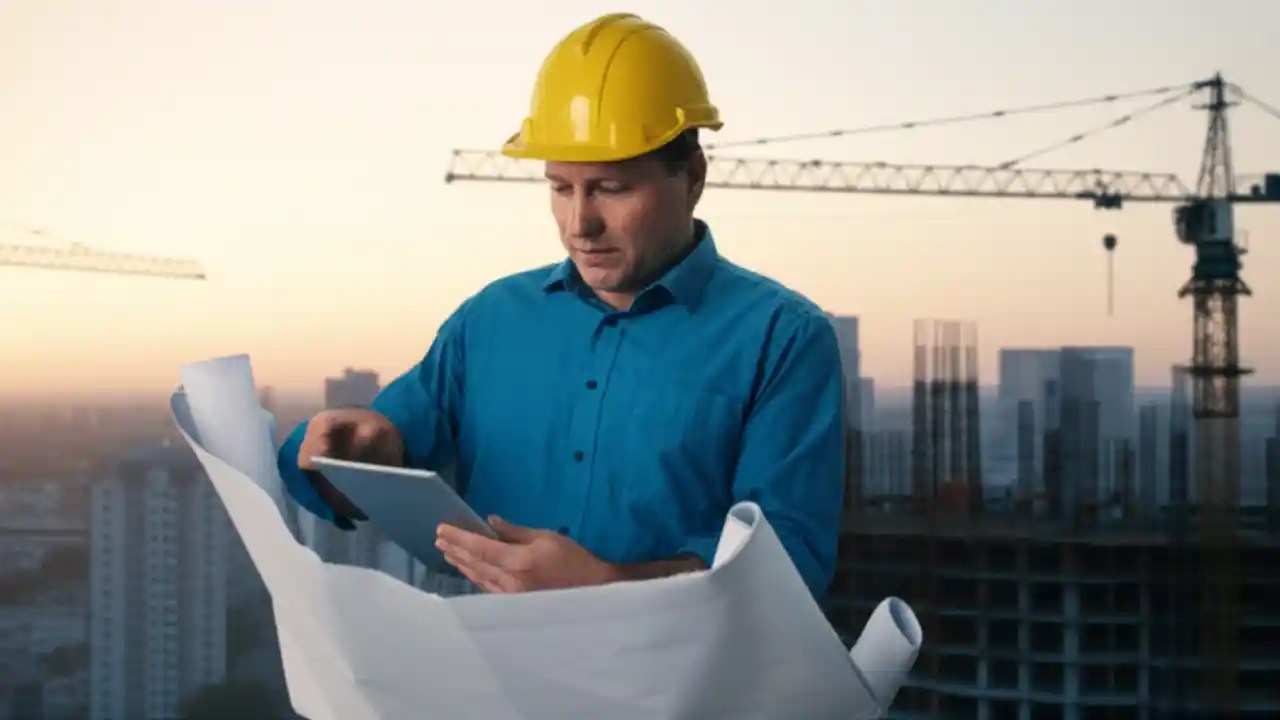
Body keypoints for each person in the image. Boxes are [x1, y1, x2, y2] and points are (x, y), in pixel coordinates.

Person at [277, 12, 846, 601]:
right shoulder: (491, 320)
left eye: (611, 188)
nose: (581, 225)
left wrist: (609, 586)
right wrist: (344, 453)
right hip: (485, 681)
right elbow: (348, 466)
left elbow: (789, 566)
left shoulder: (782, 338)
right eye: (560, 188)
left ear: (693, 177)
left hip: (673, 689)